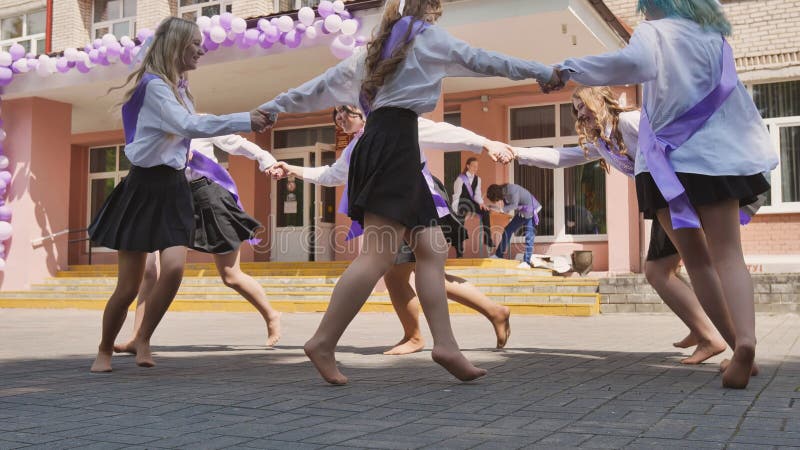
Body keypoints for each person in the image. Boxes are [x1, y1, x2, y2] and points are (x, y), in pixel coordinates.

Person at [257, 0, 555, 384]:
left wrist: (272, 108)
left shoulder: (376, 50)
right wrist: (543, 72)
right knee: (380, 256)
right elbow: (487, 61)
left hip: (393, 146)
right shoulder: (429, 39)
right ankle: (323, 341)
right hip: (394, 144)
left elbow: (316, 87)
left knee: (431, 248)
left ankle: (445, 344)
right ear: (430, 8)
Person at [549, 0, 779, 388]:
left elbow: (630, 65)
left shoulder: (652, 33)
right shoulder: (715, 38)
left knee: (698, 263)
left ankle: (731, 344)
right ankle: (747, 341)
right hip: (718, 158)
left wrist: (568, 68)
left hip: (666, 167)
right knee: (728, 255)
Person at [88, 17, 273, 372]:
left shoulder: (181, 89)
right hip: (142, 188)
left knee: (172, 270)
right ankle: (105, 349)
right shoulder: (155, 87)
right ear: (176, 47)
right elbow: (189, 126)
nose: (202, 50)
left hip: (174, 187)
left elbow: (191, 125)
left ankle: (143, 338)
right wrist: (245, 118)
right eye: (195, 44)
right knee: (128, 286)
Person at [270, 105, 511, 354]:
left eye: (346, 109)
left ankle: (438, 332)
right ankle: (480, 317)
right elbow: (333, 174)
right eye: (336, 112)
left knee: (417, 272)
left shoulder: (393, 121)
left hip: (417, 200)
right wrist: (292, 169)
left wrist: (486, 143)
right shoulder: (356, 144)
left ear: (364, 110)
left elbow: (443, 132)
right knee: (405, 273)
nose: (340, 116)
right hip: (395, 205)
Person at [514, 86, 727, 365]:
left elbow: (677, 144)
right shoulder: (604, 142)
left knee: (665, 270)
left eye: (583, 105)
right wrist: (516, 153)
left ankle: (713, 336)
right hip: (665, 199)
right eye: (576, 109)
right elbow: (561, 157)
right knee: (663, 269)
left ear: (601, 101)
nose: (580, 113)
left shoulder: (629, 122)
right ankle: (702, 328)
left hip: (679, 195)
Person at [113, 134, 282, 355]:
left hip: (207, 197)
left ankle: (271, 314)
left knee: (231, 275)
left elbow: (236, 143)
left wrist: (267, 160)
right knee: (149, 271)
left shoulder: (199, 123)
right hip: (169, 200)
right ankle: (138, 338)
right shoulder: (154, 127)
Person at [485, 183, 540, 269]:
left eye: (495, 199)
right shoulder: (504, 194)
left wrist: (501, 209)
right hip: (522, 212)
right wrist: (493, 208)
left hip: (531, 209)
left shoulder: (511, 189)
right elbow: (506, 210)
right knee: (508, 230)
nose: (496, 201)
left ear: (497, 194)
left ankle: (527, 262)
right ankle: (499, 255)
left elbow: (514, 205)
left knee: (529, 236)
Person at [452, 157, 494, 256]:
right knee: (460, 223)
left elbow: (477, 195)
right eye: (473, 166)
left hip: (471, 202)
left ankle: (487, 239)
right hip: (461, 202)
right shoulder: (460, 178)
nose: (476, 168)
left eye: (477, 166)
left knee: (485, 212)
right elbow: (456, 194)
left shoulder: (478, 179)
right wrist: (455, 209)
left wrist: (482, 204)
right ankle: (459, 250)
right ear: (468, 166)